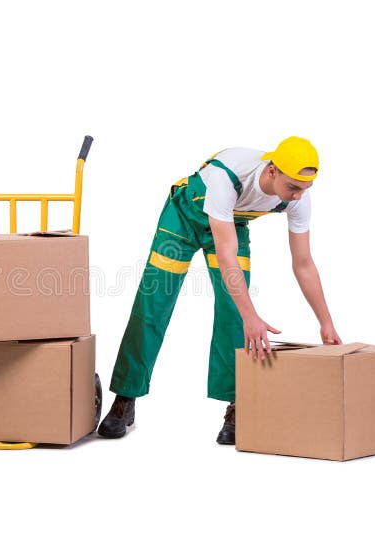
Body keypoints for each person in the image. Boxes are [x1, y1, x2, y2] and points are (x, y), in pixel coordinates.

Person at [97, 136, 342, 444]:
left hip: (229, 226)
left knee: (234, 313)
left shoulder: (298, 197)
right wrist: (252, 316)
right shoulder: (228, 176)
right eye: (293, 187)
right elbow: (227, 257)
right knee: (153, 303)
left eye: (304, 189)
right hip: (183, 219)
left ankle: (236, 405)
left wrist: (325, 322)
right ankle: (125, 399)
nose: (297, 196)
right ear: (272, 171)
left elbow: (303, 263)